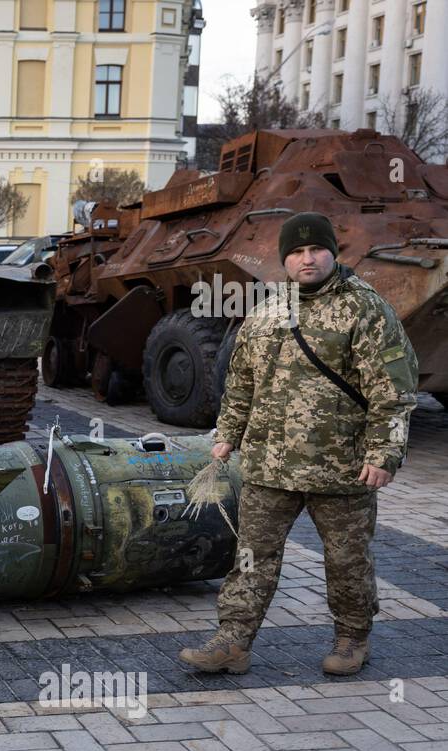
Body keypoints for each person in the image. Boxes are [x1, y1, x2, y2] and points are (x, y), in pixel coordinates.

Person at [180, 212, 419, 677]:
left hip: (342, 466)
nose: (307, 259)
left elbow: (393, 390)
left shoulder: (364, 309)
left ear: (333, 252)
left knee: (347, 560)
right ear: (284, 259)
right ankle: (233, 640)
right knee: (251, 557)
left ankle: (352, 638)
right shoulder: (266, 311)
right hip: (268, 465)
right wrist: (227, 433)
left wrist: (384, 454)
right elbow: (241, 382)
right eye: (296, 252)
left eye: (316, 250)